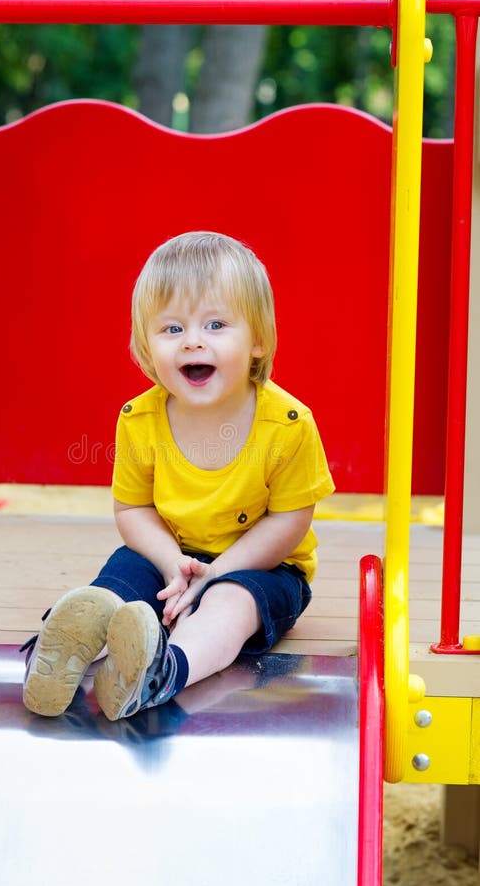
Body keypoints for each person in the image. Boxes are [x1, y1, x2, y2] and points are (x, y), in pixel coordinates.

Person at [22, 230, 335, 722]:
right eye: (171, 329)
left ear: (257, 341)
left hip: (262, 566)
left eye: (215, 324)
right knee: (119, 584)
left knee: (228, 607)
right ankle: (63, 648)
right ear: (146, 347)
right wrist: (171, 564)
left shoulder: (289, 426)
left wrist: (216, 572)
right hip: (171, 551)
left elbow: (289, 521)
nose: (192, 340)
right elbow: (134, 510)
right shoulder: (139, 418)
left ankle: (166, 668)